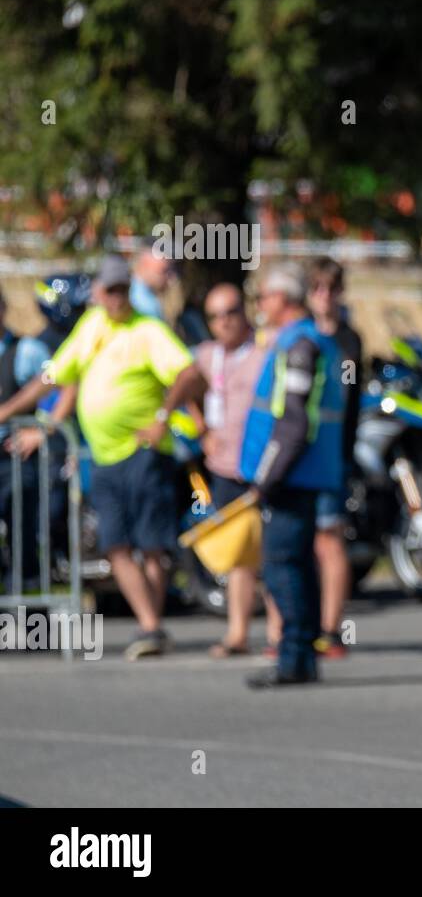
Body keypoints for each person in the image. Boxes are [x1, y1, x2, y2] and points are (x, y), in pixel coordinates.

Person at [0, 255, 205, 659]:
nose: (116, 298)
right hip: (103, 456)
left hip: (144, 453)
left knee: (150, 546)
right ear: (97, 294)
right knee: (115, 545)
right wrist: (9, 411)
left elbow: (188, 373)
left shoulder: (147, 330)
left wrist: (164, 417)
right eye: (109, 291)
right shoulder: (91, 327)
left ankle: (150, 625)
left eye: (122, 289)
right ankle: (151, 622)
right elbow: (55, 376)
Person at [240, 264, 345, 688]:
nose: (260, 305)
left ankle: (294, 658)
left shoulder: (299, 343)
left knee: (283, 566)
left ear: (283, 299)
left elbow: (294, 421)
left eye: (263, 297)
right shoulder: (309, 339)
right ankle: (300, 658)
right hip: (306, 473)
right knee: (298, 566)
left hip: (291, 476)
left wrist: (265, 478)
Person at [192, 283, 275, 658]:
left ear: (245, 313)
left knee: (274, 553)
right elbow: (178, 385)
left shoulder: (264, 351)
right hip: (225, 468)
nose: (224, 322)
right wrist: (200, 427)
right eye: (215, 316)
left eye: (231, 312)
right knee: (239, 557)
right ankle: (237, 634)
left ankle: (279, 633)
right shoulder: (207, 356)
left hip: (265, 467)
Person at [306, 257, 364, 659]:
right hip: (296, 455)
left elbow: (348, 399)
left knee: (329, 539)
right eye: (317, 288)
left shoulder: (348, 342)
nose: (324, 297)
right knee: (296, 543)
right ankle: (293, 629)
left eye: (331, 289)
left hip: (331, 456)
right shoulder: (299, 335)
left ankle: (331, 629)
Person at [0, 291, 55, 585]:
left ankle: (36, 626)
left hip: (15, 460)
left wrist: (41, 428)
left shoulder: (28, 350)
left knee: (23, 544)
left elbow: (58, 384)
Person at [130, 248, 174, 322]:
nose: (169, 278)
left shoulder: (147, 295)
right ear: (144, 266)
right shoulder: (142, 302)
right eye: (163, 271)